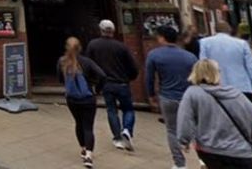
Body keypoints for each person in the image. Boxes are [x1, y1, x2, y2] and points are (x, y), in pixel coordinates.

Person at [177, 59, 252, 169]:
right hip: (239, 152)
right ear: (218, 73)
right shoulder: (236, 95)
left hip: (209, 151)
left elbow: (185, 120)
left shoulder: (192, 93)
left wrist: (184, 140)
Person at [146, 25, 198, 169]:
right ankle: (202, 159)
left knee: (172, 130)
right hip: (188, 97)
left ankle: (179, 164)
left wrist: (151, 96)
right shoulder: (190, 57)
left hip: (167, 97)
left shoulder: (154, 55)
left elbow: (149, 78)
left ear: (162, 38)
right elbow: (196, 78)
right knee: (195, 129)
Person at [85, 19, 139, 151]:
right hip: (122, 83)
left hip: (106, 84)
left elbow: (88, 65)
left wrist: (92, 82)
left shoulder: (93, 45)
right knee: (128, 109)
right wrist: (130, 77)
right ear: (113, 31)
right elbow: (133, 67)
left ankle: (117, 138)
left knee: (112, 110)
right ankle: (127, 129)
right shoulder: (122, 46)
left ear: (101, 30)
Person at [58, 37, 106, 169]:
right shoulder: (87, 62)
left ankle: (83, 148)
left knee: (78, 123)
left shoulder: (62, 62)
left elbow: (60, 79)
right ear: (80, 48)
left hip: (72, 99)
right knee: (88, 127)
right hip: (88, 98)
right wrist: (97, 88)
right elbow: (102, 75)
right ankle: (89, 156)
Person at [199, 22, 252, 102]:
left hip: (216, 88)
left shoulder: (204, 43)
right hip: (242, 88)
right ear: (229, 30)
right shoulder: (242, 44)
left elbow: (203, 66)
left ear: (215, 30)